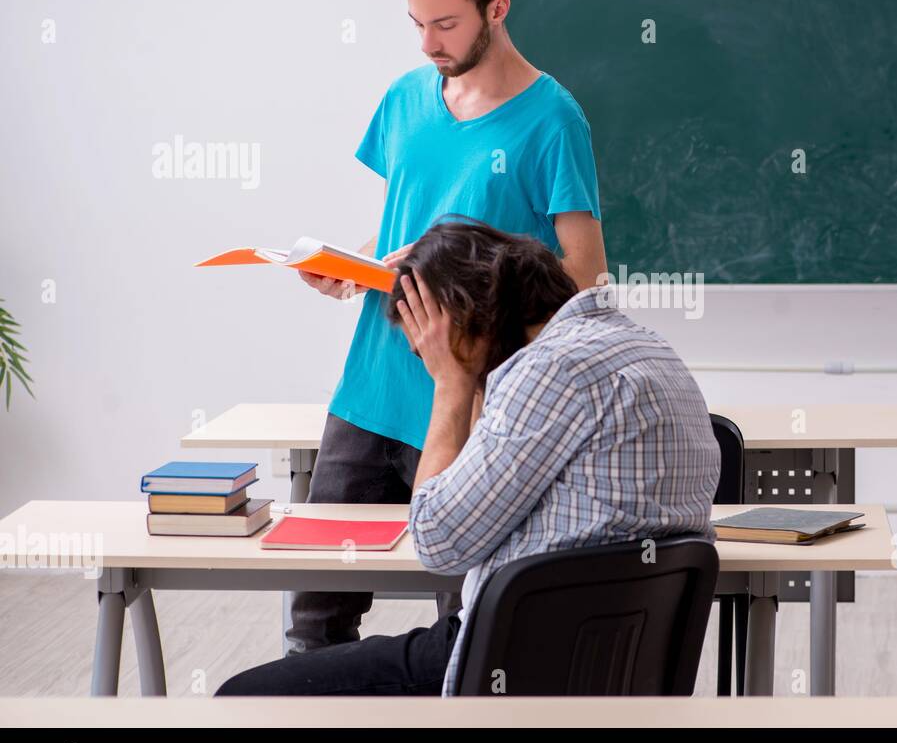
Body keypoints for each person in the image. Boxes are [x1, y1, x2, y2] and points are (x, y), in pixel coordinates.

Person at [217, 220, 718, 696]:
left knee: (244, 696)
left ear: (463, 320)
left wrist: (451, 381)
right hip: (612, 662)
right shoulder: (646, 347)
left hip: (517, 657)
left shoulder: (548, 371)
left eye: (425, 346)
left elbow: (439, 543)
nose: (424, 357)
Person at [289, 0, 608, 653]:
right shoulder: (406, 98)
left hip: (473, 402)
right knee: (315, 617)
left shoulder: (554, 121)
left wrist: (464, 290)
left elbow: (585, 275)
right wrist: (350, 267)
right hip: (369, 390)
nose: (428, 44)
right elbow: (401, 224)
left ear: (496, 10)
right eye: (416, 24)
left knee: (462, 621)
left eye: (444, 23)